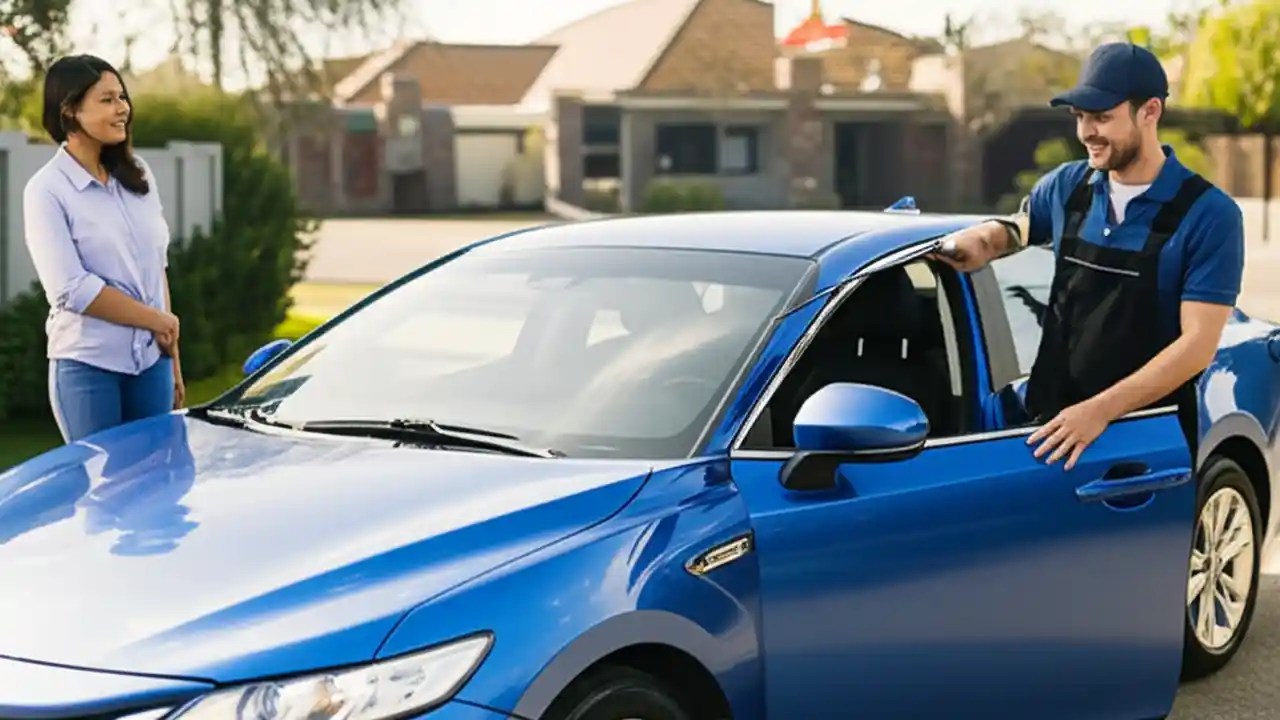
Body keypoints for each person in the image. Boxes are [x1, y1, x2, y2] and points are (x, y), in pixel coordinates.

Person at [932, 41, 1244, 471]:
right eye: (1080, 117)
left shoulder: (1209, 215)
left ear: (1150, 111)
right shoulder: (1066, 187)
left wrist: (1098, 412)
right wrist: (981, 240)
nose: (1085, 132)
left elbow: (1196, 348)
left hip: (1141, 449)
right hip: (1047, 437)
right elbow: (1018, 228)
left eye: (1101, 117)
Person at [22, 54, 185, 444]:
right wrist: (156, 320)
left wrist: (174, 363)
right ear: (70, 111)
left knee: (158, 491)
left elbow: (154, 267)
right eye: (107, 99)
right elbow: (71, 290)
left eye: (122, 97)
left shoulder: (139, 174)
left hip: (151, 364)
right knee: (102, 495)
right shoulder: (46, 191)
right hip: (87, 366)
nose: (123, 108)